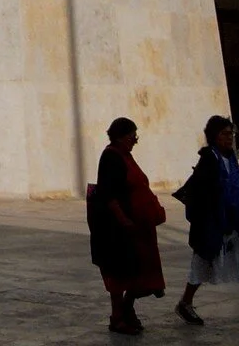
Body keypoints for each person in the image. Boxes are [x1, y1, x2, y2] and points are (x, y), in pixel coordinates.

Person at [173, 116, 239, 335]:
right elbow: (208, 195)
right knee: (204, 263)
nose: (230, 138)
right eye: (225, 134)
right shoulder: (210, 161)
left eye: (231, 134)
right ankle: (185, 302)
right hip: (219, 223)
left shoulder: (231, 158)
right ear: (214, 136)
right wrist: (235, 206)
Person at [89, 117, 166, 335]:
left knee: (139, 271)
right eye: (132, 137)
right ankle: (117, 317)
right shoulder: (111, 157)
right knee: (119, 273)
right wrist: (123, 219)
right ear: (121, 137)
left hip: (136, 225)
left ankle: (127, 309)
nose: (134, 141)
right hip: (118, 228)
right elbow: (109, 194)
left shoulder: (124, 155)